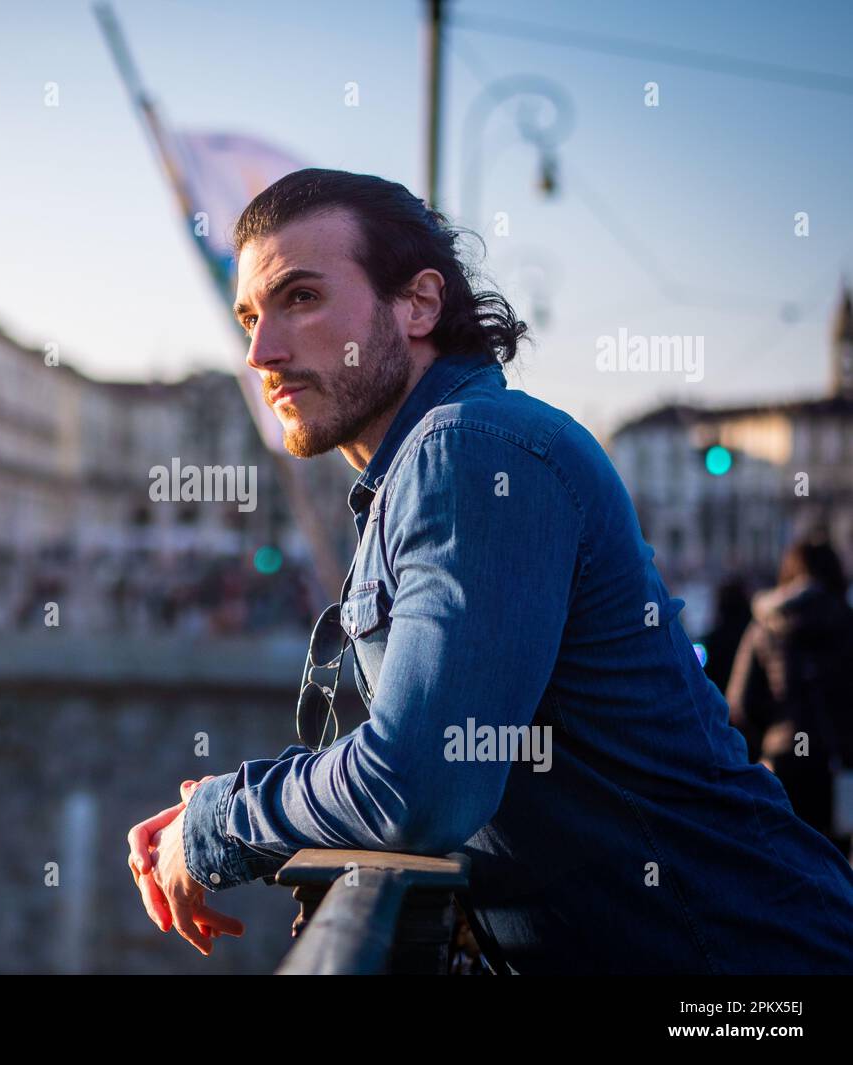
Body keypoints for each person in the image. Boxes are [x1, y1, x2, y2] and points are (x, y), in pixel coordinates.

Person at [125, 168, 853, 973]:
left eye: (301, 298)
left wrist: (218, 821)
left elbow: (421, 783)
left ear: (419, 304)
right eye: (251, 315)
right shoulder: (433, 464)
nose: (261, 351)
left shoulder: (470, 450)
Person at [727, 532, 853, 850]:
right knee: (836, 870)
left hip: (781, 764)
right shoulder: (846, 621)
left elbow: (739, 704)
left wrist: (770, 740)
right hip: (835, 766)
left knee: (786, 862)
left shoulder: (765, 624)